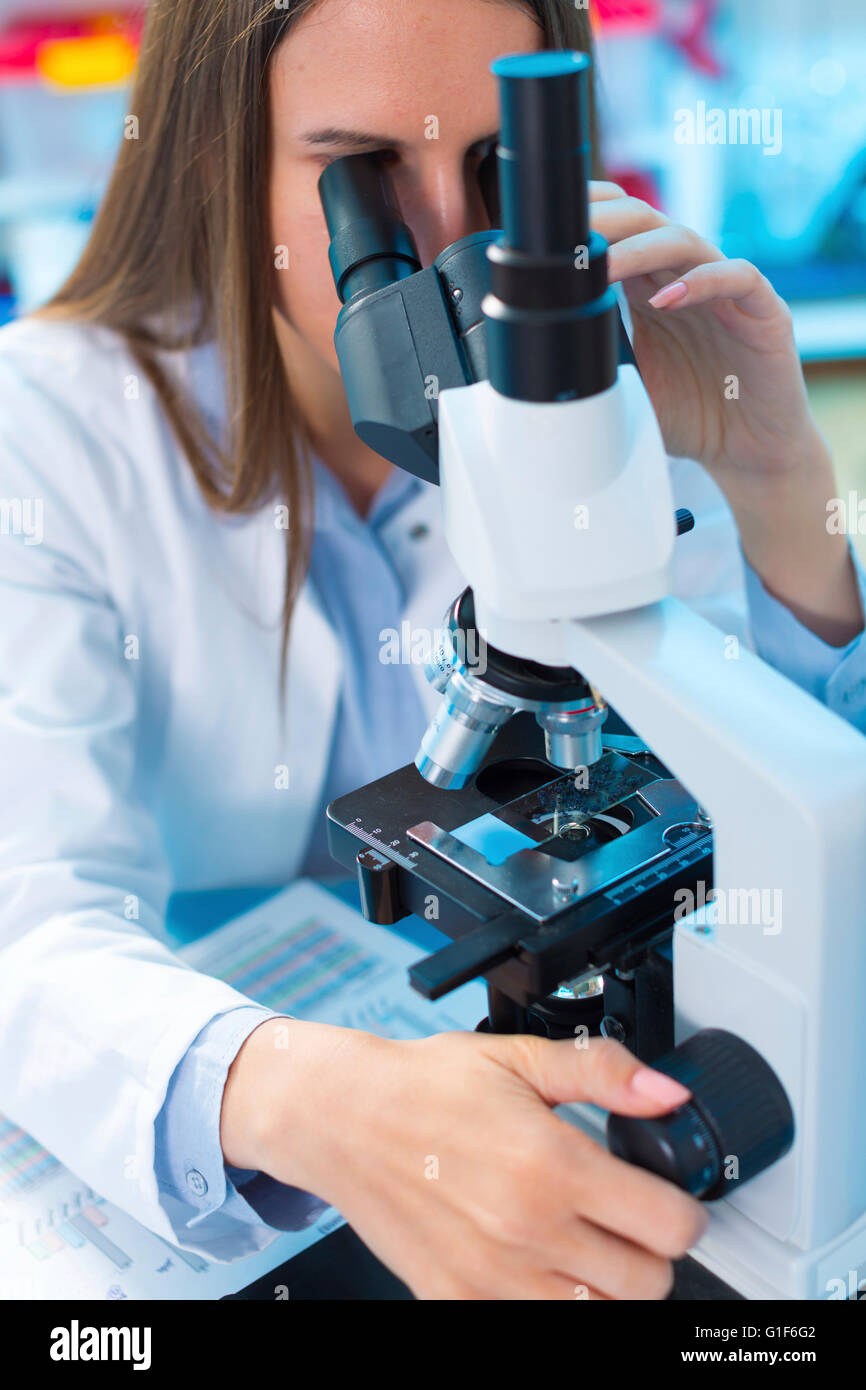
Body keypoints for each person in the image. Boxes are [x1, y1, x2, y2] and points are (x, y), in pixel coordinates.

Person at [0, 0, 863, 1302]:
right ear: (211, 163)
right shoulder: (48, 431)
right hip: (219, 1114)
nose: (447, 248)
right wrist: (314, 1100)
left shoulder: (609, 384)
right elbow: (29, 925)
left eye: (492, 172)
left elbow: (765, 803)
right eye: (358, 178)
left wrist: (773, 475)